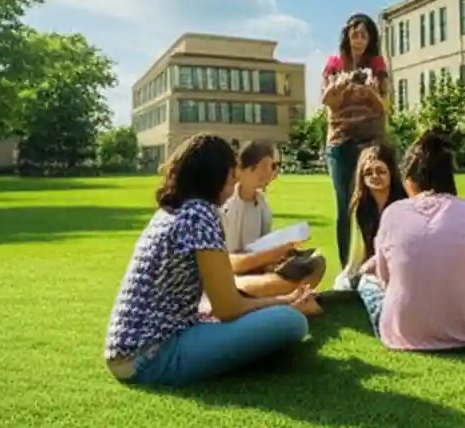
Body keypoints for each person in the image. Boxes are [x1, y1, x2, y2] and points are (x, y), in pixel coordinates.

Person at [104, 134, 315, 388]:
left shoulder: (173, 211)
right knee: (291, 321)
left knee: (273, 315)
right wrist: (287, 302)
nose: (235, 178)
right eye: (231, 171)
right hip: (149, 357)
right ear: (218, 175)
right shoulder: (199, 214)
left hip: (132, 349)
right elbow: (227, 308)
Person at [355, 132, 465, 350]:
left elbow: (386, 280)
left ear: (409, 179)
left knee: (367, 281)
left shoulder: (393, 213)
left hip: (404, 332)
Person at [320, 13, 389, 277]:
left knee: (372, 202)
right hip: (340, 140)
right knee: (343, 207)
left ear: (371, 39)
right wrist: (344, 81)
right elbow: (327, 100)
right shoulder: (334, 64)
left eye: (364, 35)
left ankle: (375, 264)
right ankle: (345, 271)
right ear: (347, 36)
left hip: (371, 140)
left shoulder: (378, 65)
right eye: (355, 34)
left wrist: (371, 89)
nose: (359, 39)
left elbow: (384, 105)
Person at [222, 140, 326, 299]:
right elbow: (227, 264)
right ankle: (290, 297)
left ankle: (287, 295)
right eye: (274, 165)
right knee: (252, 284)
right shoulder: (226, 205)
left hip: (257, 270)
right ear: (260, 165)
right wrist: (270, 254)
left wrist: (281, 253)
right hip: (231, 277)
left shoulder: (261, 203)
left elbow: (260, 248)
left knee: (316, 260)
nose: (276, 172)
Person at [333, 142, 408, 291]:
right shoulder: (360, 207)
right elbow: (356, 253)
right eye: (368, 172)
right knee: (341, 283)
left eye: (380, 171)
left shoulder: (403, 205)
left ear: (391, 173)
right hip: (370, 269)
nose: (374, 176)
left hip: (399, 268)